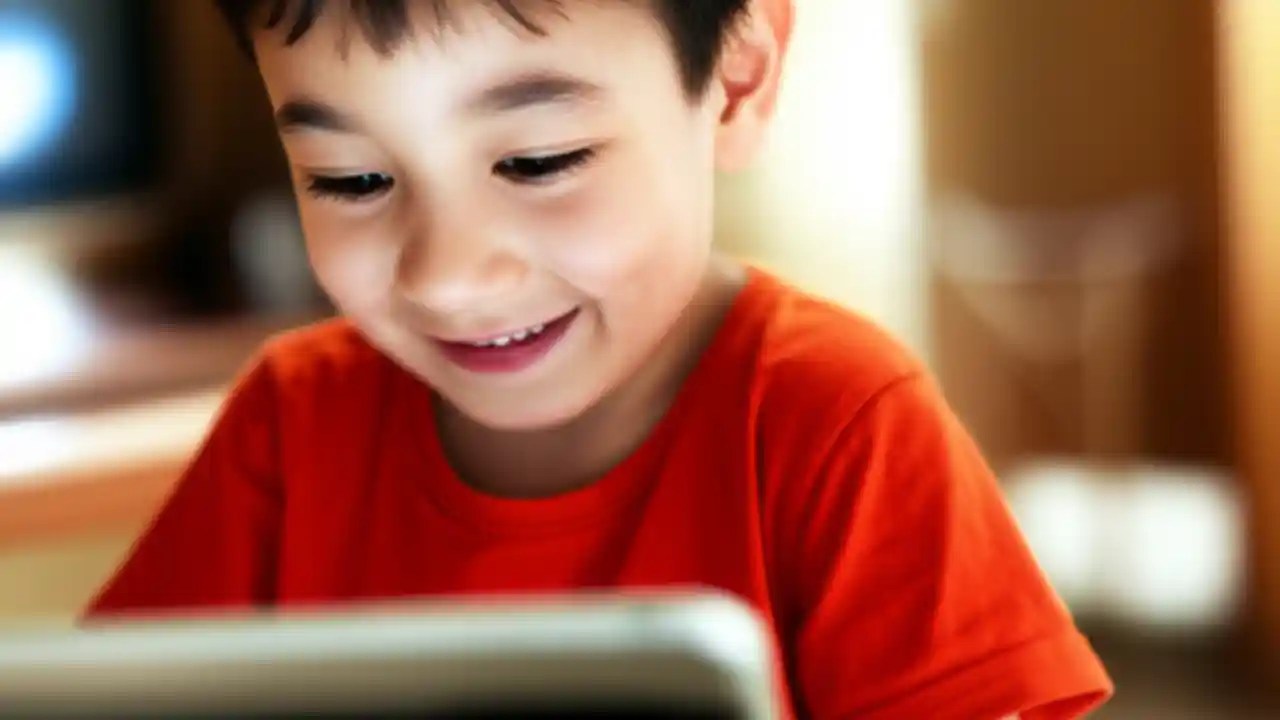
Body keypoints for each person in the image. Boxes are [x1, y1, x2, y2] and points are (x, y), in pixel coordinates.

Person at [88, 1, 1113, 717]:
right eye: (348, 179)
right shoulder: (290, 428)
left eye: (537, 161)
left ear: (735, 80)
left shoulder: (839, 425)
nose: (447, 277)